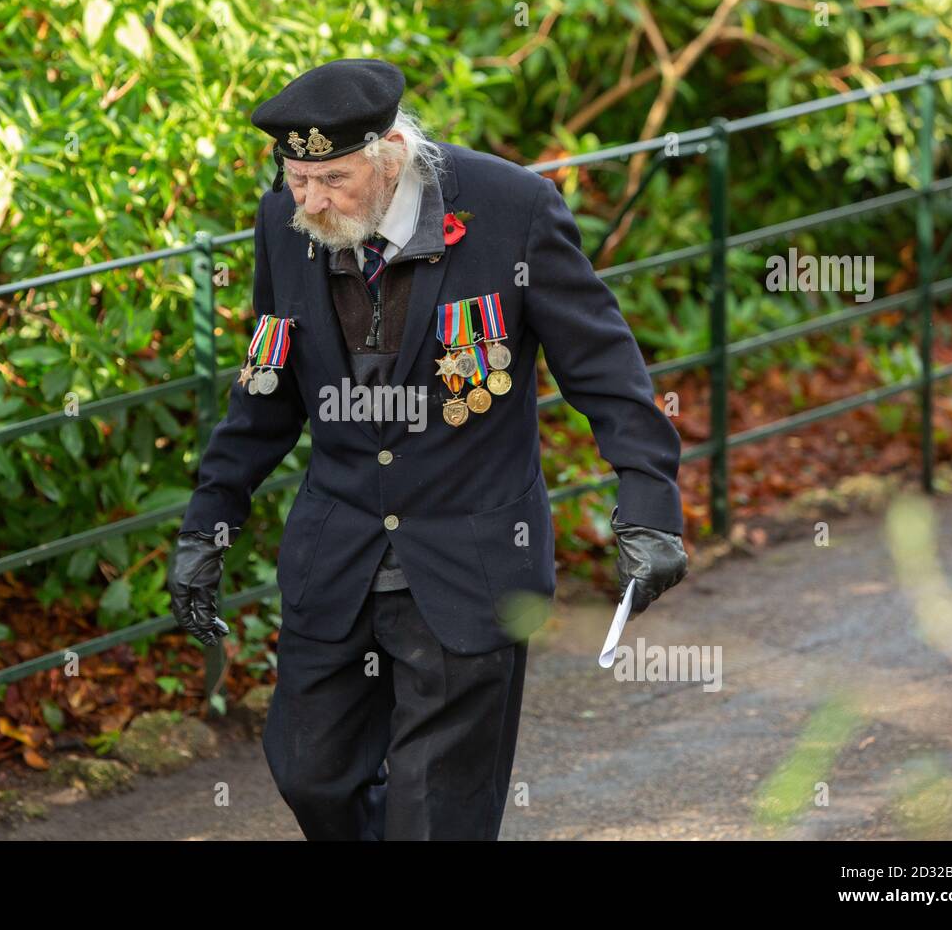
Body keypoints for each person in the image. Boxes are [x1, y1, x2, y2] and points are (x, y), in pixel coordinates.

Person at [168, 58, 688, 840]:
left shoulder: (513, 209)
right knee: (312, 777)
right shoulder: (284, 222)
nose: (308, 201)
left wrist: (649, 501)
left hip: (470, 560)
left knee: (436, 813)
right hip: (337, 557)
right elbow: (265, 395)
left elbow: (605, 369)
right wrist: (208, 524)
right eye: (295, 178)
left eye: (331, 180)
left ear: (391, 155)